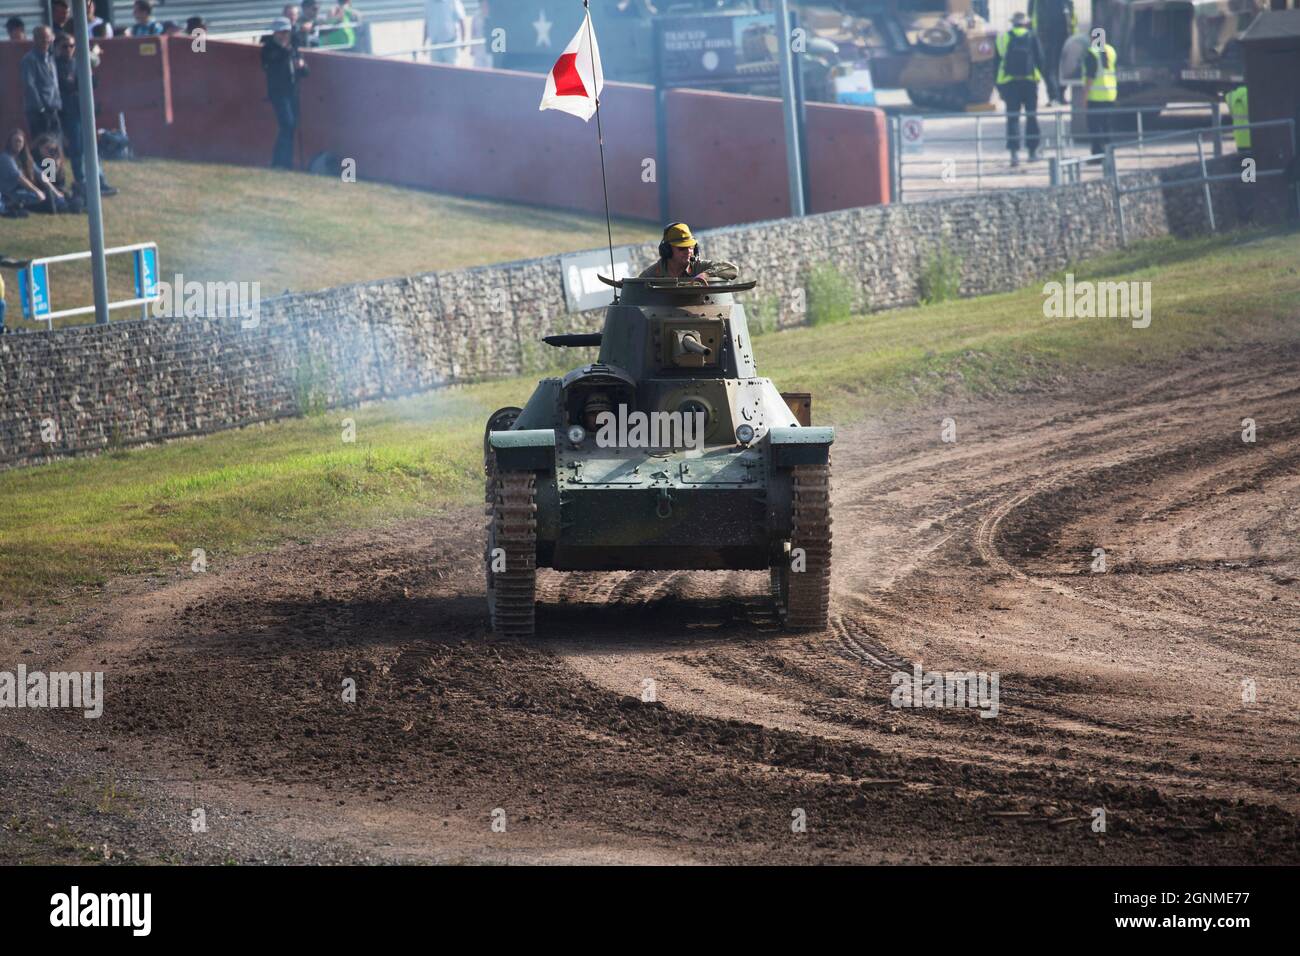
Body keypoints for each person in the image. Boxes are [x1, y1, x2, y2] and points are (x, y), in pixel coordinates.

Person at [995, 11, 1055, 167]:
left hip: (1010, 83)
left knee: (1013, 119)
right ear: (1025, 23)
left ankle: (1014, 155)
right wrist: (1045, 82)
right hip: (1029, 83)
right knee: (1031, 117)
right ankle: (1032, 152)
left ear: (1012, 23)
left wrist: (999, 88)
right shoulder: (1032, 36)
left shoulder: (1003, 37)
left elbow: (996, 63)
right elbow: (1041, 59)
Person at [261, 17, 309, 169]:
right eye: (281, 32)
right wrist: (289, 51)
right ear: (275, 33)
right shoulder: (269, 48)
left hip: (292, 92)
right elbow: (272, 61)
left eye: (286, 32)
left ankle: (284, 162)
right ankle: (280, 162)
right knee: (287, 124)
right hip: (278, 92)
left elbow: (306, 72)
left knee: (291, 126)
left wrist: (301, 65)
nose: (283, 35)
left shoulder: (293, 48)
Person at [639, 222, 738, 282]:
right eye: (682, 248)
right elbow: (634, 287)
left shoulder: (698, 267)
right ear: (667, 250)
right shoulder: (654, 272)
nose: (688, 251)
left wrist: (706, 275)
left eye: (691, 247)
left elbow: (732, 269)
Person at [0, 128, 66, 214]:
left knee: (53, 196)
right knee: (44, 198)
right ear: (10, 142)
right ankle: (15, 206)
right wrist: (37, 191)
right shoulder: (6, 158)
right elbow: (20, 178)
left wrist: (55, 192)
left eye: (20, 141)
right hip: (11, 194)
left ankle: (62, 205)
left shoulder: (26, 158)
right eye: (15, 141)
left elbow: (40, 175)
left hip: (25, 191)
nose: (18, 144)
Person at [1029, 0, 1074, 104]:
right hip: (1044, 34)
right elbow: (1031, 12)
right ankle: (1054, 96)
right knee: (1047, 66)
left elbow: (1071, 12)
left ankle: (1060, 95)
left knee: (1060, 66)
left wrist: (1071, 31)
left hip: (1062, 33)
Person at [22, 27, 63, 141]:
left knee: (54, 144)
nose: (46, 41)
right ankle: (44, 160)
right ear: (35, 39)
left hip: (53, 108)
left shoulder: (50, 58)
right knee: (42, 145)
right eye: (42, 38)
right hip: (39, 111)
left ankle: (52, 160)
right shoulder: (29, 59)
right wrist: (41, 108)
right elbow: (30, 85)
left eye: (48, 38)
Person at [1082, 35, 1117, 158]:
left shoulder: (1092, 52)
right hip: (1110, 95)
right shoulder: (1111, 50)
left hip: (1095, 97)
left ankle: (1097, 156)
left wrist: (1084, 96)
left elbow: (1090, 77)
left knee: (1095, 129)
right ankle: (1110, 156)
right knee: (1108, 128)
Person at [426, 0, 467, 65]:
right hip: (435, 46)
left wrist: (463, 40)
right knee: (436, 72)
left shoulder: (453, 1)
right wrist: (424, 42)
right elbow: (427, 22)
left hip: (450, 45)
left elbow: (461, 19)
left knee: (452, 72)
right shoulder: (428, 3)